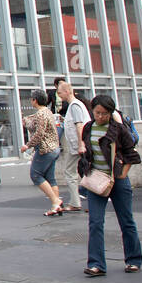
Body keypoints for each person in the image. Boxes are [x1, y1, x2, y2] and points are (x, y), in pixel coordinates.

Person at [78, 95, 142, 276]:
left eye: (104, 113)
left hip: (117, 180)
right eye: (97, 112)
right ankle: (96, 264)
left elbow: (132, 153)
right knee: (95, 222)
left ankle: (133, 259)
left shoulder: (119, 129)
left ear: (110, 112)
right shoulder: (88, 127)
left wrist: (122, 174)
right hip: (96, 179)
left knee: (126, 221)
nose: (100, 116)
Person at [21, 89, 64, 216]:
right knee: (51, 178)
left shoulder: (40, 114)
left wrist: (27, 146)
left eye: (32, 99)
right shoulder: (48, 112)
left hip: (45, 149)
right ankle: (56, 206)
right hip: (54, 148)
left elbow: (39, 133)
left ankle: (56, 201)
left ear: (35, 100)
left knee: (35, 175)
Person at [56, 82, 88, 212]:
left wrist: (80, 144)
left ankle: (75, 202)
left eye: (60, 92)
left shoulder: (74, 106)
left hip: (77, 146)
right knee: (82, 171)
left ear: (67, 91)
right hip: (78, 145)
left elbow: (79, 125)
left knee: (70, 172)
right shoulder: (75, 106)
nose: (59, 96)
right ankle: (78, 201)